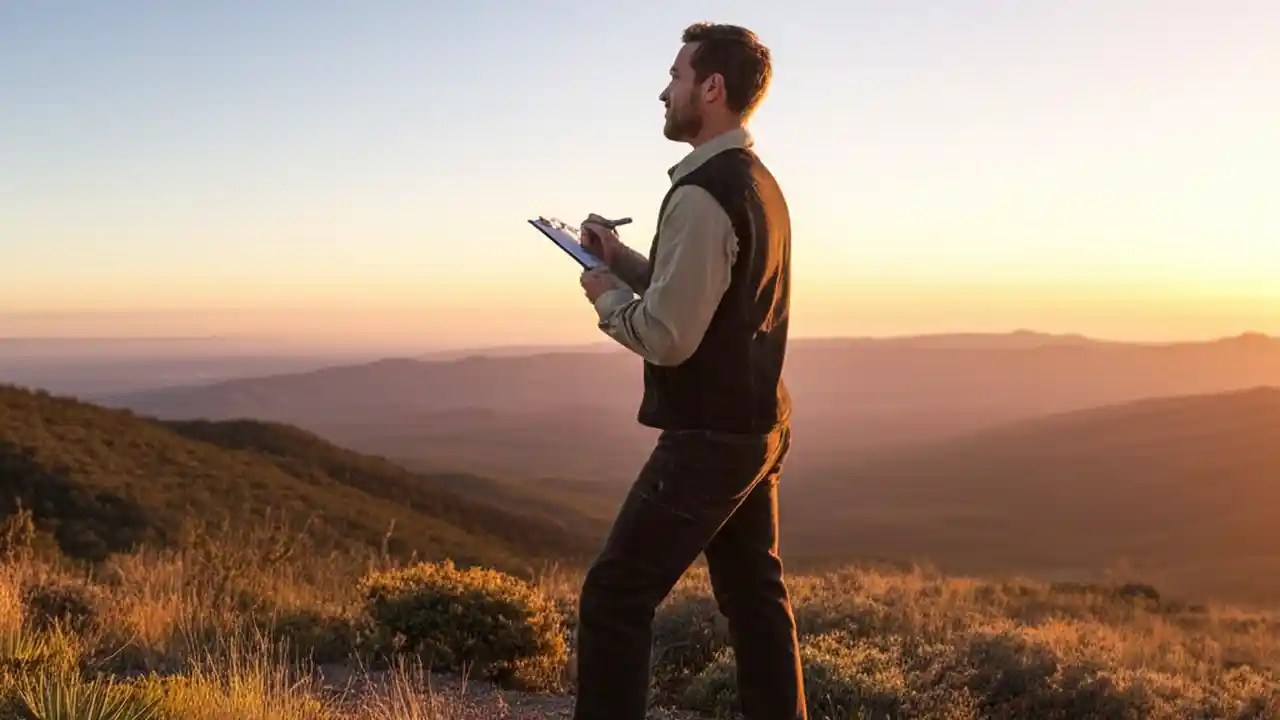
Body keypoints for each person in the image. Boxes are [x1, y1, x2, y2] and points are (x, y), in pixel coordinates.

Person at [572, 22, 806, 720]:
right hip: (761, 420)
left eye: (675, 77)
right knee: (755, 597)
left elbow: (669, 335)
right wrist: (621, 261)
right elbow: (706, 295)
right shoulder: (757, 182)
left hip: (709, 437)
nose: (663, 92)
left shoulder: (703, 192)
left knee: (616, 595)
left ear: (712, 89)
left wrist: (606, 296)